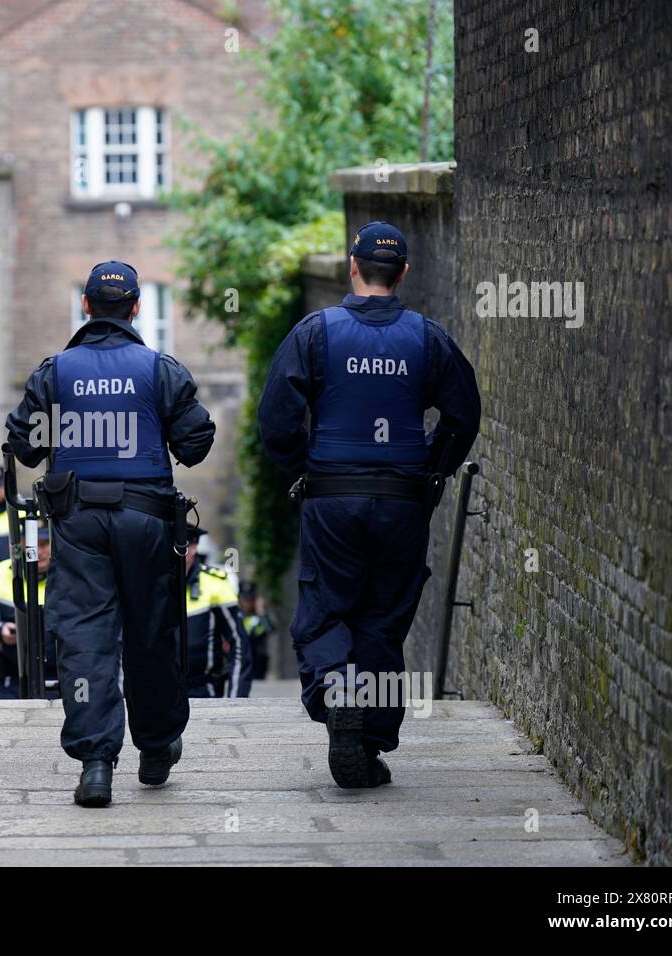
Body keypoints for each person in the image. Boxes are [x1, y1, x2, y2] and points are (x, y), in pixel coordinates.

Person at [258, 221, 481, 788]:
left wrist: (306, 465)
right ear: (403, 272)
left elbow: (277, 420)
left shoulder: (316, 334)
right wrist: (432, 470)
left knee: (325, 609)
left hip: (333, 495)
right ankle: (369, 739)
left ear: (351, 267)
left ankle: (339, 694)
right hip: (403, 500)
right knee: (382, 618)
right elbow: (463, 415)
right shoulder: (428, 339)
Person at [6, 260, 216, 807]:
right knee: (152, 632)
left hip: (77, 524)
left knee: (85, 637)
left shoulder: (56, 371)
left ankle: (96, 765)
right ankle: (155, 745)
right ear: (137, 309)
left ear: (85, 307)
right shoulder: (158, 368)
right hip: (147, 521)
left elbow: (24, 446)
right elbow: (196, 443)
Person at [0, 524, 55, 699]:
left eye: (44, 544)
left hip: (60, 680)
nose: (39, 552)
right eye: (33, 545)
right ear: (22, 546)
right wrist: (0, 629)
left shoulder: (68, 576)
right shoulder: (1, 571)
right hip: (12, 680)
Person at [183, 527, 252, 698]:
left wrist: (236, 701)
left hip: (204, 691)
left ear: (193, 548)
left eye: (182, 546)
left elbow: (239, 645)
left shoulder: (215, 584)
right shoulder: (151, 583)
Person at [238, 582, 274, 682]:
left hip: (258, 666)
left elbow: (270, 629)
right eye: (244, 599)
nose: (247, 603)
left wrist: (261, 612)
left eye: (250, 599)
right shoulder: (236, 616)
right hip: (240, 664)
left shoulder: (260, 616)